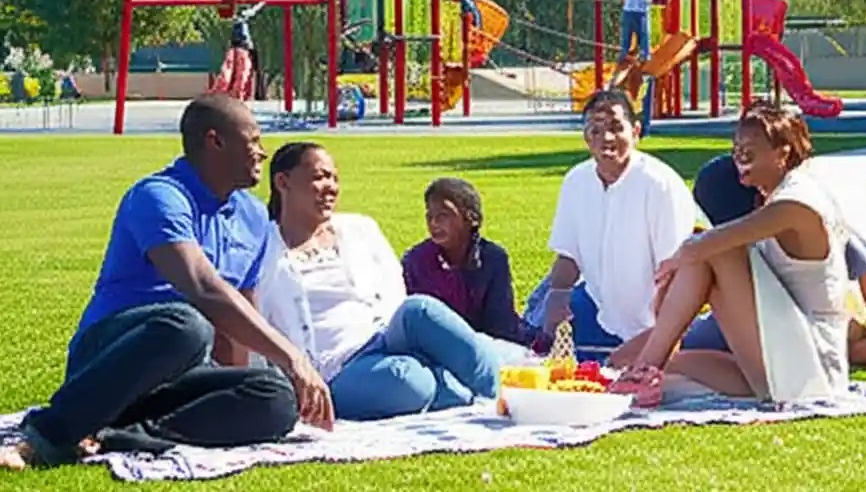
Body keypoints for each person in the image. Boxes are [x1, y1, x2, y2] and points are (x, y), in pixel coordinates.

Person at [0, 94, 331, 472]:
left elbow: (240, 311)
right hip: (112, 356)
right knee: (187, 324)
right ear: (215, 141)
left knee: (274, 394)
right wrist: (292, 356)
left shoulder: (253, 216)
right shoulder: (159, 197)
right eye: (253, 141)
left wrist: (240, 379)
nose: (263, 152)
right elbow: (203, 289)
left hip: (184, 369)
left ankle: (113, 435)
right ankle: (46, 436)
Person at [607, 101, 854, 407]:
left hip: (810, 367)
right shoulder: (774, 197)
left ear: (783, 153)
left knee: (714, 247)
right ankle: (642, 369)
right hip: (777, 357)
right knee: (621, 359)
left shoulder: (797, 203)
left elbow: (711, 244)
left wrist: (674, 267)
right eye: (735, 148)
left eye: (749, 149)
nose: (738, 157)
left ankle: (642, 375)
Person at [256, 143, 526, 421]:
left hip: (387, 336)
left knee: (418, 310)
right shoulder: (263, 251)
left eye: (335, 178)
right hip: (339, 368)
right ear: (283, 182)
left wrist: (402, 339)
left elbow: (393, 287)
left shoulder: (359, 229)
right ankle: (455, 384)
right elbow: (254, 319)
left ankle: (503, 393)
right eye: (320, 177)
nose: (331, 187)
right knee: (410, 380)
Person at [679, 153, 866, 380]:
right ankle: (852, 350)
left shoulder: (796, 216)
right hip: (776, 318)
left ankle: (856, 349)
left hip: (799, 321)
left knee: (687, 347)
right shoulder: (775, 219)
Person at [529, 88, 699, 362]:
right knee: (537, 323)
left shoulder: (661, 185)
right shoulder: (576, 181)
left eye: (615, 128)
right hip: (598, 309)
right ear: (586, 138)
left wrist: (663, 340)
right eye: (595, 131)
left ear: (636, 131)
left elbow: (675, 274)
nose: (606, 139)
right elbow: (568, 255)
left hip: (656, 322)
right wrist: (557, 298)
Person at [403, 177, 551, 353]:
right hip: (433, 349)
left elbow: (500, 324)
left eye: (443, 215)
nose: (433, 223)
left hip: (487, 345)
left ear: (471, 218)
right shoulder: (416, 261)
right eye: (429, 216)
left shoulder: (492, 259)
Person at [613, 0, 673, 77]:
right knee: (636, 37)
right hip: (634, 11)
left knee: (641, 36)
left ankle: (640, 55)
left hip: (636, 10)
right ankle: (635, 56)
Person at [211, 19, 256, 102]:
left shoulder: (237, 54)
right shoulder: (239, 55)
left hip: (241, 48)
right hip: (242, 48)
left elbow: (227, 77)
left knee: (239, 74)